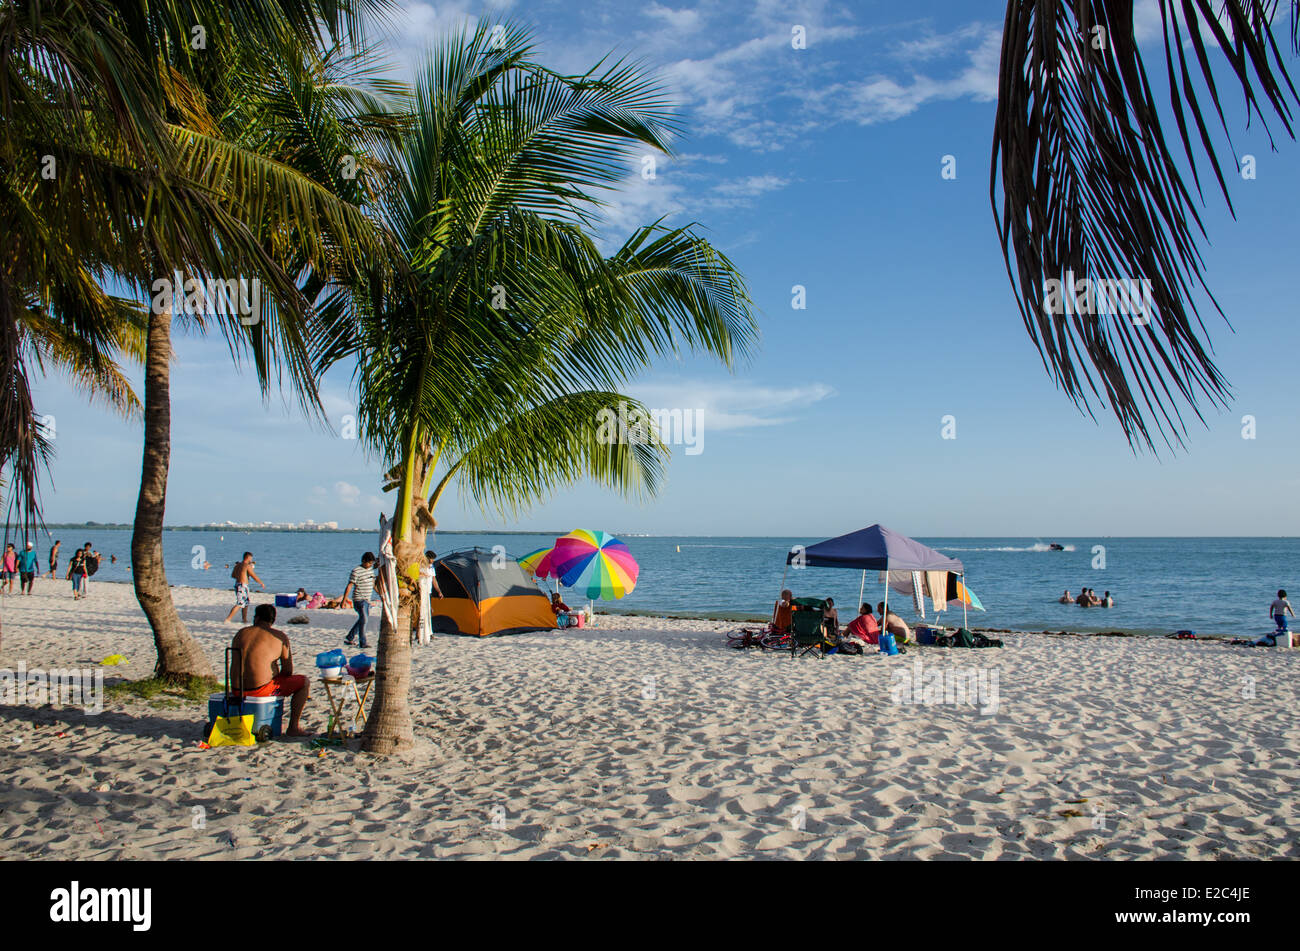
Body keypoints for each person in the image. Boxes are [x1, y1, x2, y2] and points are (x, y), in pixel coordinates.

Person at [231, 604, 310, 737]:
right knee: (304, 682)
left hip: (236, 689)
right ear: (272, 620)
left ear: (256, 618)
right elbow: (288, 670)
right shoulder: (279, 636)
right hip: (259, 690)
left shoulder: (241, 633)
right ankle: (293, 727)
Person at [341, 552, 377, 647]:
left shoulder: (371, 570)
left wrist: (382, 594)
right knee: (364, 620)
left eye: (371, 564)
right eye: (368, 563)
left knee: (362, 620)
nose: (370, 565)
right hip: (359, 599)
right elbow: (349, 586)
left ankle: (350, 637)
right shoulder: (356, 571)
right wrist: (344, 601)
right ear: (363, 561)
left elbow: (373, 584)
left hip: (367, 600)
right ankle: (363, 642)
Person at [224, 552, 264, 623]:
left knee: (246, 603)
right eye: (251, 558)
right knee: (240, 603)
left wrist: (242, 575)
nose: (251, 560)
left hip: (238, 584)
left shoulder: (238, 565)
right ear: (248, 558)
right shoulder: (247, 566)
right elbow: (254, 576)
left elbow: (233, 575)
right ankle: (228, 619)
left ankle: (244, 619)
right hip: (242, 585)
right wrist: (261, 583)